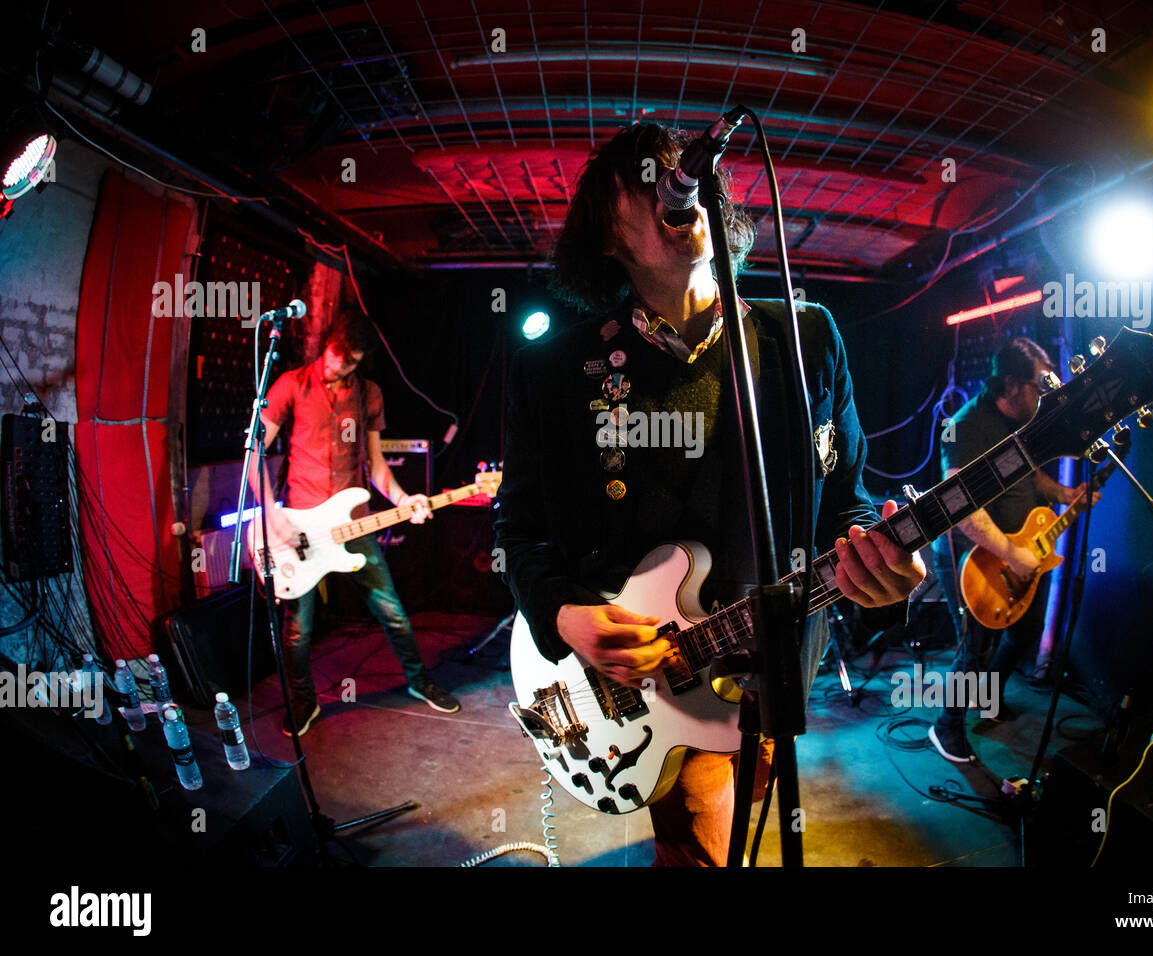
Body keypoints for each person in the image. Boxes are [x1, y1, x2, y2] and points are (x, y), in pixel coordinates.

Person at [494, 123, 924, 866]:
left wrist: (881, 566)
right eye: (644, 174)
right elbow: (518, 530)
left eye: (678, 167)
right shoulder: (556, 371)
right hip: (643, 679)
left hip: (775, 669)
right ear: (606, 235)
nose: (672, 177)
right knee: (696, 843)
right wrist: (565, 616)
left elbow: (849, 501)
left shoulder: (808, 339)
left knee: (746, 813)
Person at [255, 310, 460, 737]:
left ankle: (420, 681)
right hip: (298, 528)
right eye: (335, 358)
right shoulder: (290, 384)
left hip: (354, 523)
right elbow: (252, 455)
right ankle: (305, 703)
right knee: (298, 632)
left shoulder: (368, 394)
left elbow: (377, 464)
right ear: (326, 346)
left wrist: (404, 499)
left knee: (394, 613)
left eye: (349, 363)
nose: (338, 369)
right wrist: (273, 518)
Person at [928, 337, 1097, 763]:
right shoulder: (966, 425)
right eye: (1039, 386)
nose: (1045, 395)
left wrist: (1065, 493)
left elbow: (1032, 478)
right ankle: (945, 726)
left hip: (1018, 549)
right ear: (1011, 385)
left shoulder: (1020, 426)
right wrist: (1010, 553)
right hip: (971, 557)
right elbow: (961, 508)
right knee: (975, 647)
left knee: (1025, 631)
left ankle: (988, 697)